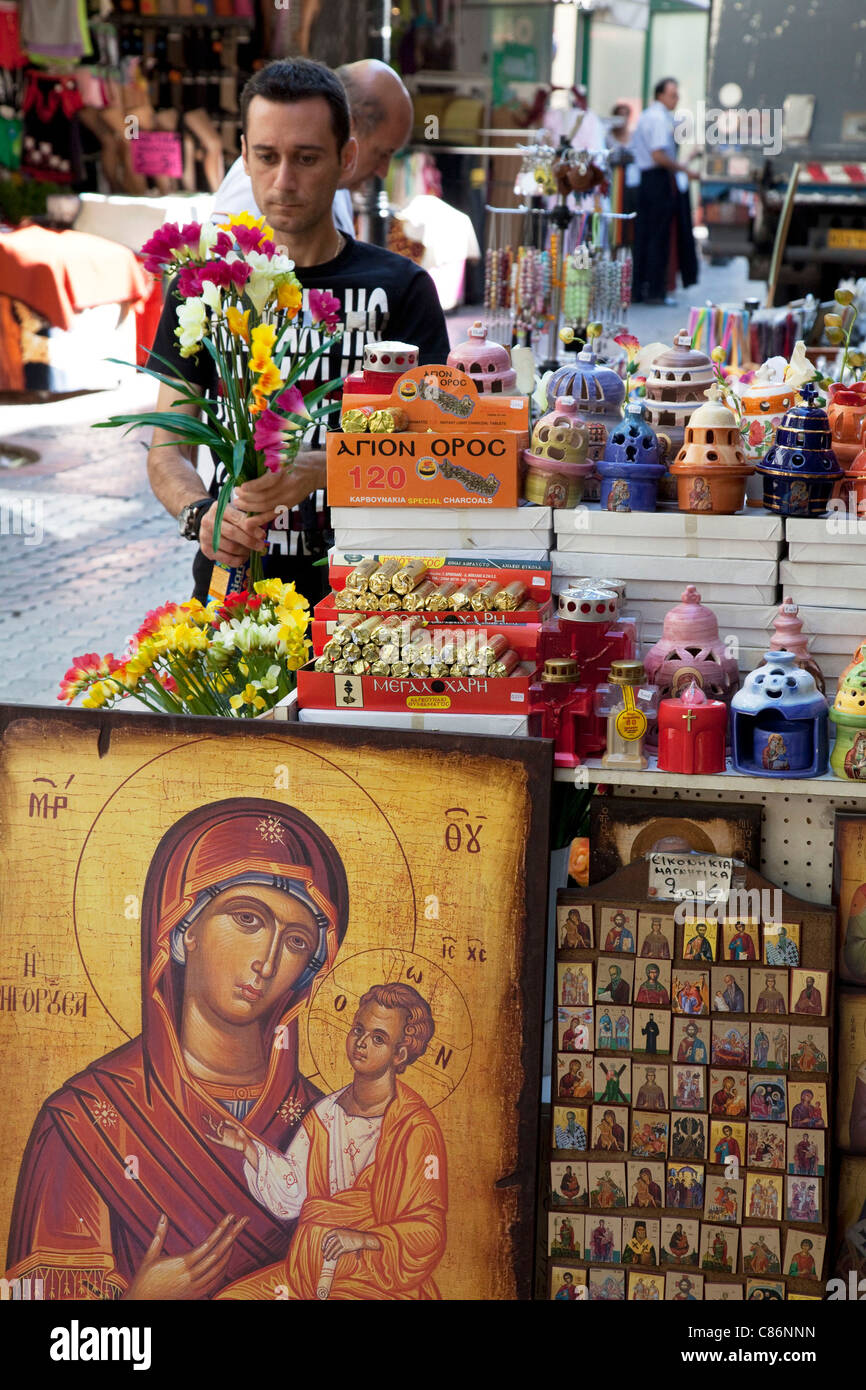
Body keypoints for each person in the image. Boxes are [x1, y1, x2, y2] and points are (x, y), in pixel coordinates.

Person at [6, 799, 350, 1300]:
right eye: (248, 919)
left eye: (296, 941)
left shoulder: (328, 1126)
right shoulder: (87, 1122)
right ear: (182, 932)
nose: (268, 960)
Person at [146, 59, 449, 606]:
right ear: (244, 154)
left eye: (306, 159)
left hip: (375, 596)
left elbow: (438, 450)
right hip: (239, 589)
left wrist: (325, 465)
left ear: (346, 157)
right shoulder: (206, 285)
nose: (283, 181)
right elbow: (167, 449)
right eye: (266, 157)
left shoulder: (401, 288)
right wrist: (200, 515)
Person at [213, 982, 447, 1300]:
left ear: (400, 1053)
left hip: (370, 1281)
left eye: (378, 1038)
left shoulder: (414, 1128)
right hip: (304, 1274)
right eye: (357, 1030)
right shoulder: (326, 1114)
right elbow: (294, 1192)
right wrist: (249, 1148)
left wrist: (364, 1239)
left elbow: (428, 1230)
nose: (361, 1043)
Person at [213, 59, 414, 234]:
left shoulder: (334, 187)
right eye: (382, 153)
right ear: (349, 126)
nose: (383, 171)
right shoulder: (256, 186)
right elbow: (220, 266)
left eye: (307, 159)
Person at [629, 77, 698, 305]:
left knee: (647, 236)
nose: (675, 99)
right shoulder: (658, 118)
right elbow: (658, 155)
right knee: (657, 237)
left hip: (651, 179)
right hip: (656, 179)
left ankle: (642, 288)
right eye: (672, 94)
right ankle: (654, 290)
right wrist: (683, 169)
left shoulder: (653, 116)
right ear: (660, 95)